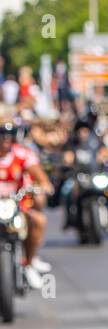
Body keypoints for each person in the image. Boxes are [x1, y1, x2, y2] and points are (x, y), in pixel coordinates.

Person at [0, 121, 54, 287]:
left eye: (10, 137)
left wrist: (42, 188)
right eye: (3, 136)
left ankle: (29, 263)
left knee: (38, 221)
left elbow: (42, 179)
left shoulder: (23, 155)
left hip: (17, 205)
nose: (6, 140)